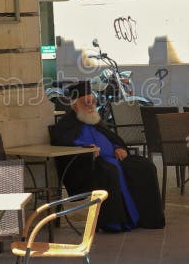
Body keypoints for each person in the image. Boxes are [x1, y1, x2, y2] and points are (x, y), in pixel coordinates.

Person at [50, 81, 165, 231]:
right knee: (110, 172)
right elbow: (61, 140)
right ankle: (114, 223)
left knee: (145, 167)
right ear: (75, 106)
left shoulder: (95, 120)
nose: (91, 106)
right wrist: (84, 148)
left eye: (93, 102)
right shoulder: (67, 124)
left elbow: (112, 137)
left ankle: (148, 218)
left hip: (115, 159)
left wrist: (118, 147)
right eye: (86, 103)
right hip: (89, 164)